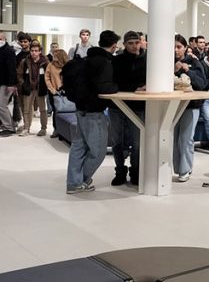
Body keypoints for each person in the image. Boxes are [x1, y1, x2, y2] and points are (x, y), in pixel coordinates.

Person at [65, 30, 120, 194]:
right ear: (114, 46)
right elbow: (103, 87)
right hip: (94, 111)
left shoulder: (88, 59)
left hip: (81, 109)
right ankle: (81, 180)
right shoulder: (104, 62)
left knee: (78, 147)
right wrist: (117, 87)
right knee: (98, 151)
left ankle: (73, 182)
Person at [109, 31, 146, 186]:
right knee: (117, 141)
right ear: (124, 44)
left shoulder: (147, 60)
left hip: (138, 106)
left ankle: (136, 171)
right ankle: (120, 170)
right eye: (130, 43)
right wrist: (136, 87)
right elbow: (114, 82)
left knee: (137, 143)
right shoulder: (117, 60)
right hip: (117, 106)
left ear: (140, 42)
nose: (133, 46)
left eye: (136, 42)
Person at [173, 35, 206, 182]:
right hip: (171, 106)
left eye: (179, 47)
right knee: (173, 139)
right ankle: (176, 167)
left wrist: (187, 71)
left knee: (186, 139)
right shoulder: (166, 62)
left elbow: (202, 84)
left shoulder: (193, 62)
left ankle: (185, 169)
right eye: (173, 47)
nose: (176, 50)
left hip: (190, 106)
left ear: (186, 48)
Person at [16, 42, 49, 136]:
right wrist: (23, 84)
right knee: (26, 109)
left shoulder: (45, 62)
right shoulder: (25, 61)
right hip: (28, 88)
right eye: (32, 51)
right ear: (30, 51)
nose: (34, 53)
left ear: (40, 52)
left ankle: (43, 129)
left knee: (43, 109)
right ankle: (26, 128)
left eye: (36, 51)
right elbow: (19, 74)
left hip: (41, 87)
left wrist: (47, 85)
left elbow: (49, 74)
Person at [44, 48, 69, 139]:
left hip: (66, 93)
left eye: (56, 56)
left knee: (67, 112)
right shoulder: (50, 65)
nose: (54, 58)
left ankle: (65, 131)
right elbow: (47, 78)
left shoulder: (68, 65)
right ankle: (56, 130)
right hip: (53, 92)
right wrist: (52, 89)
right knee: (56, 111)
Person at [0, 32, 15, 137]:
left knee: (1, 105)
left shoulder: (9, 50)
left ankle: (9, 127)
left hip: (6, 83)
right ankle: (7, 125)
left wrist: (11, 84)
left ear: (4, 38)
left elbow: (12, 68)